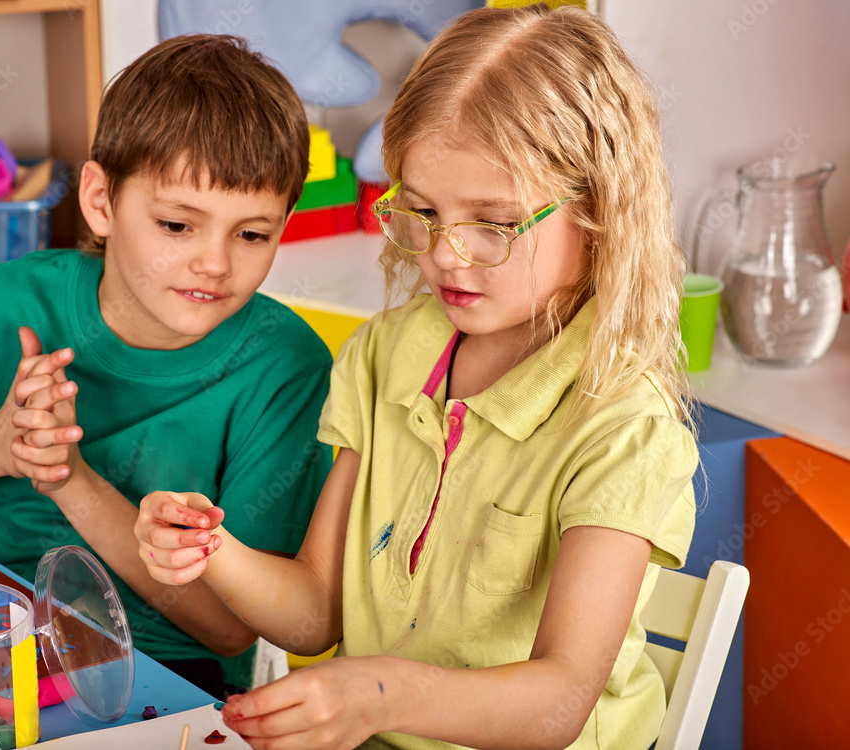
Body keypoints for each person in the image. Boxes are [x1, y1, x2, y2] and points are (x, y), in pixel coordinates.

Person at [135, 5, 698, 749]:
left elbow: (559, 702)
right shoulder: (384, 356)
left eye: (493, 224)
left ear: (599, 212)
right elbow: (315, 615)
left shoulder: (624, 425)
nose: (447, 255)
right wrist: (211, 553)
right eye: (423, 211)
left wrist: (380, 694)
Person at [0, 34, 333, 699]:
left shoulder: (287, 366)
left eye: (252, 234)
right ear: (102, 202)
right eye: (176, 225)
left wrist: (71, 480)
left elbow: (228, 632)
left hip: (168, 674)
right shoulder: (1, 303)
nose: (216, 263)